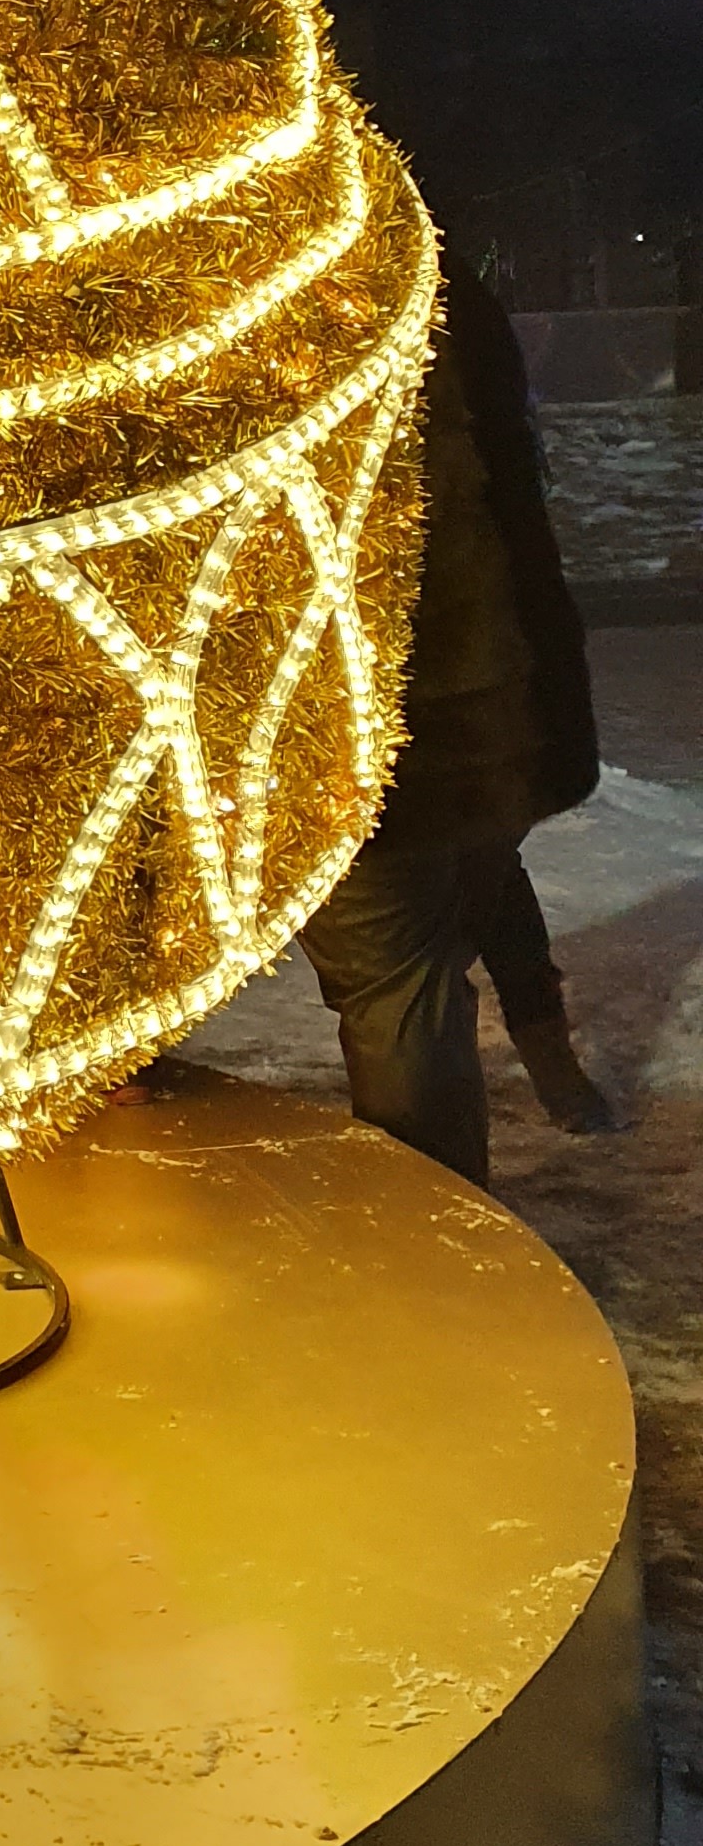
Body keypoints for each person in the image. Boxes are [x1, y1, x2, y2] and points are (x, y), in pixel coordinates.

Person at [298, 250, 615, 1181]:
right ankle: (551, 1063)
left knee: (404, 969)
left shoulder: (253, 287)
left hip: (358, 706)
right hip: (480, 697)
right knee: (471, 881)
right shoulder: (429, 277)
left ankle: (437, 1253)